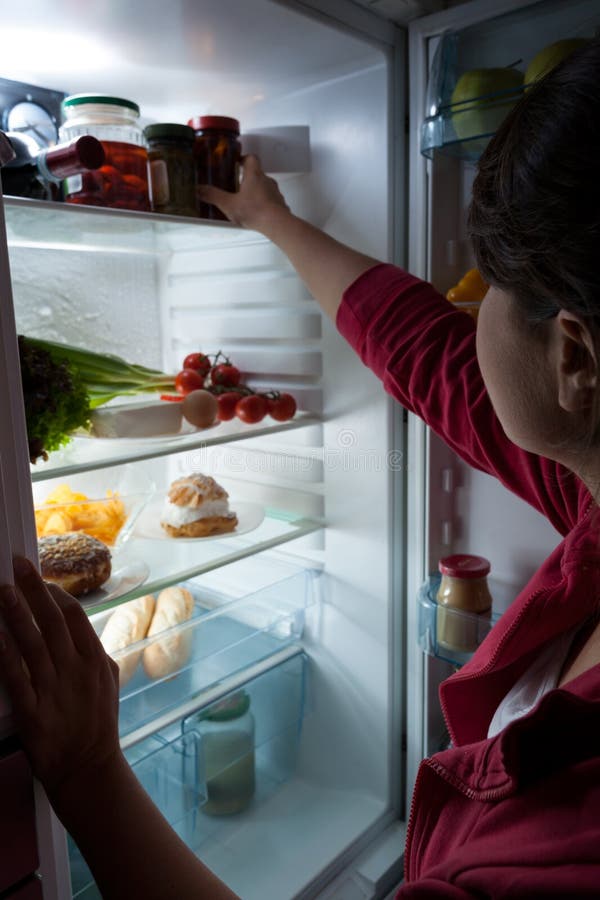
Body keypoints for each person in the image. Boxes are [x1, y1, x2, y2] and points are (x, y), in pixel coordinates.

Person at [1, 36, 600, 899]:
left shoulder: (567, 850)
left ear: (574, 357)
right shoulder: (588, 489)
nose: (470, 320)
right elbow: (428, 353)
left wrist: (88, 767)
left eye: (491, 287)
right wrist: (271, 219)